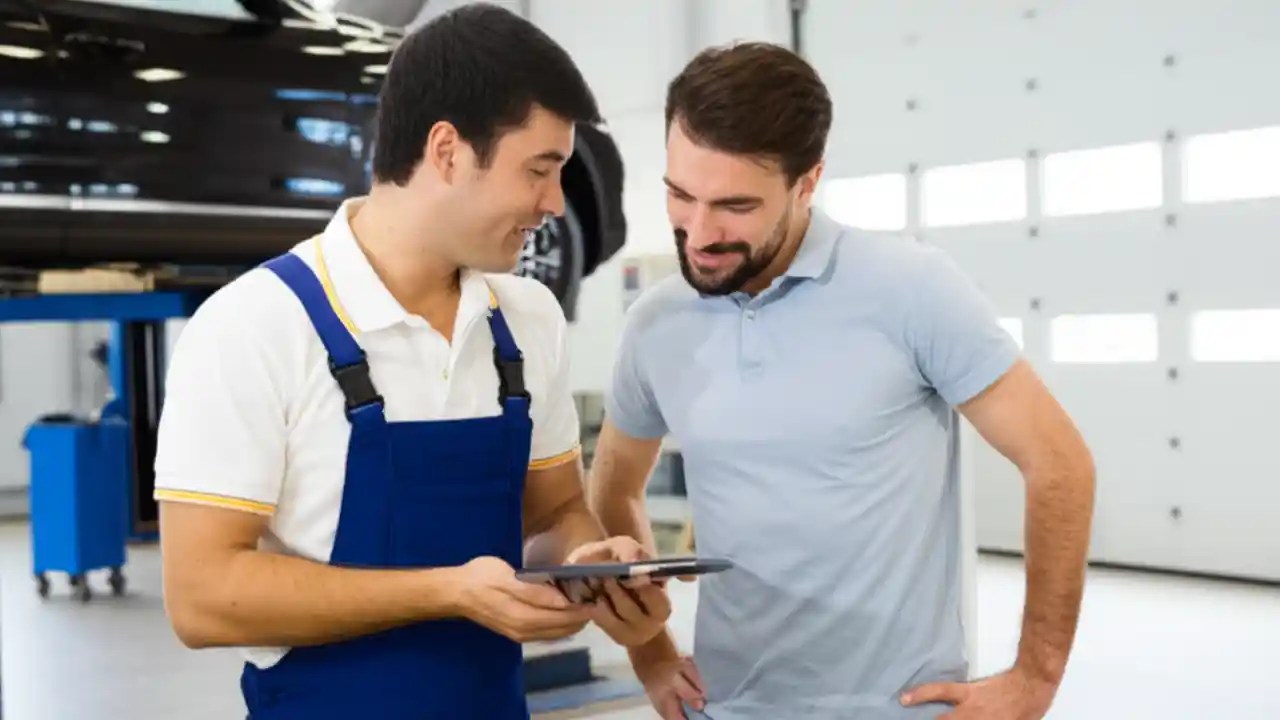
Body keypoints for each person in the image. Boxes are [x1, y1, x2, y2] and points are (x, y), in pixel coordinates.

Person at [152, 5, 670, 718]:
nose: (554, 203)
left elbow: (553, 511)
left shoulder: (528, 321)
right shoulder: (255, 326)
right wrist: (447, 591)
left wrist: (588, 570)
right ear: (448, 150)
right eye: (539, 170)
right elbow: (202, 598)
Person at [586, 41, 1097, 720]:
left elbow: (1061, 465)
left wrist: (1034, 680)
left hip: (898, 708)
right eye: (681, 195)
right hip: (726, 708)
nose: (699, 233)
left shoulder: (911, 288)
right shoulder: (656, 322)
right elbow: (615, 485)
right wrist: (651, 655)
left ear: (807, 182)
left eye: (735, 205)